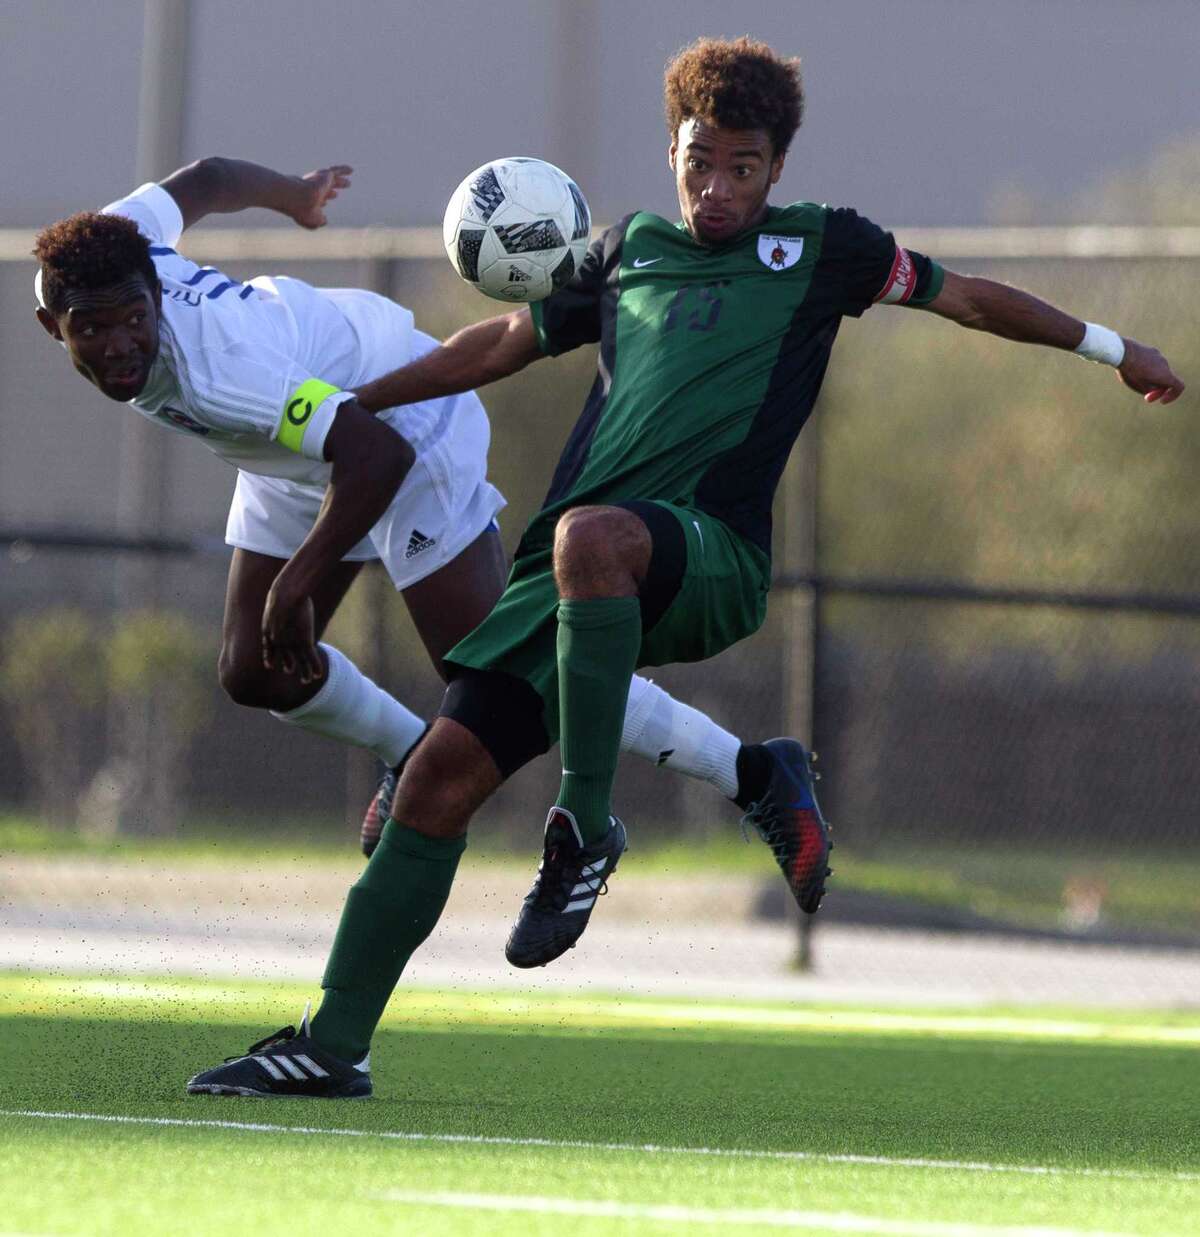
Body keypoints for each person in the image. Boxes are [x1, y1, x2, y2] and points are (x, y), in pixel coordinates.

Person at [187, 35, 1183, 1099]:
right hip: (573, 571)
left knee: (589, 540)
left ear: (777, 167)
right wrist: (362, 401)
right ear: (672, 151)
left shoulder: (825, 247)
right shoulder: (629, 250)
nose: (717, 189)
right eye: (700, 163)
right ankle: (331, 1045)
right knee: (434, 781)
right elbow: (503, 341)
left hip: (710, 553)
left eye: (742, 169)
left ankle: (583, 825)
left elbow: (971, 298)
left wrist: (1114, 348)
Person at [33, 156, 797, 857]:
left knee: (509, 680)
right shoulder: (105, 247)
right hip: (297, 438)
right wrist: (295, 196)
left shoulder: (219, 369)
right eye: (90, 329)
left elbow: (376, 455)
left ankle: (753, 772)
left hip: (400, 418)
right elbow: (203, 181)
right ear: (51, 323)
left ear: (156, 293)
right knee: (255, 671)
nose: (119, 344)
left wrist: (298, 581)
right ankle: (408, 753)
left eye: (134, 318)